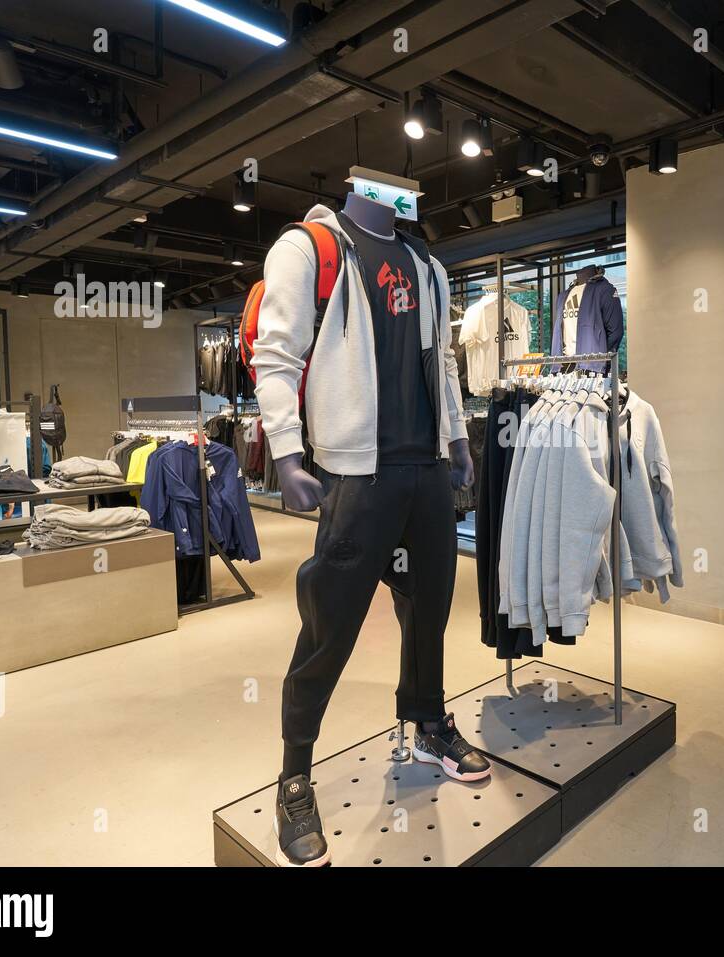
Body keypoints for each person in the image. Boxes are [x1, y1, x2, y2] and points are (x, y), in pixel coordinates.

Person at [252, 192, 488, 867]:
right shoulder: (311, 248)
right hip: (358, 476)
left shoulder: (426, 262)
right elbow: (277, 355)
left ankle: (427, 723)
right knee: (329, 625)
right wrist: (288, 452)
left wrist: (457, 439)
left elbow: (442, 359)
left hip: (427, 471)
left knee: (429, 611)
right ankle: (294, 773)